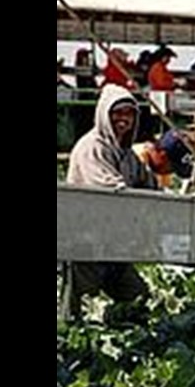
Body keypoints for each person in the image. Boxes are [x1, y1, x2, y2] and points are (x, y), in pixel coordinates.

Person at [61, 84, 154, 321]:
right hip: (86, 246)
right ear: (103, 114)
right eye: (117, 113)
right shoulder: (92, 147)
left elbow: (150, 186)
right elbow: (112, 192)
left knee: (138, 298)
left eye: (129, 113)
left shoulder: (127, 154)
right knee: (76, 311)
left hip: (114, 246)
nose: (124, 119)